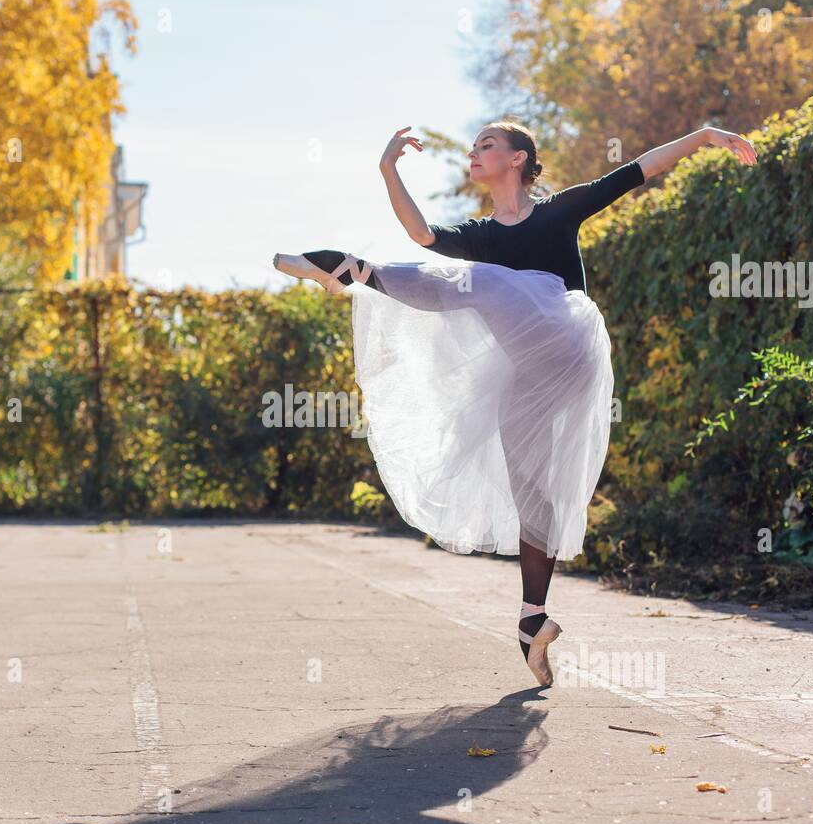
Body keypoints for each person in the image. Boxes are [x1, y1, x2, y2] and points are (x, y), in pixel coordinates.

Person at [273, 121, 757, 686]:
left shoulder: (558, 212)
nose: (474, 154)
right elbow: (424, 237)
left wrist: (702, 136)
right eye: (474, 147)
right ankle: (533, 622)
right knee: (532, 487)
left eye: (486, 146)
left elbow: (639, 170)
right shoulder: (481, 233)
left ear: (519, 158)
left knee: (482, 283)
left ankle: (350, 270)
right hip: (529, 372)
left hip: (569, 342)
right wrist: (388, 169)